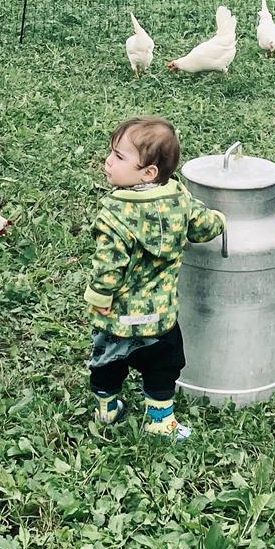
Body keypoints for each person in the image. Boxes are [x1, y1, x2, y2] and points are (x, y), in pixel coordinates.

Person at [85, 116, 225, 437]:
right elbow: (204, 226)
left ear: (148, 172)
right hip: (158, 316)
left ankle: (107, 410)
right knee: (162, 366)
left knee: (108, 362)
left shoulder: (114, 215)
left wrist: (100, 297)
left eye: (119, 157)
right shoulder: (181, 200)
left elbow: (109, 264)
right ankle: (160, 423)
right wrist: (220, 219)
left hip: (118, 317)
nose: (108, 161)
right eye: (112, 153)